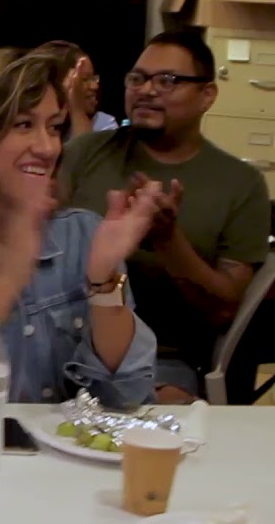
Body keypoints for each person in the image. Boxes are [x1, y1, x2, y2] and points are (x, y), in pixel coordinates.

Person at [0, 48, 158, 408]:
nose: (47, 148)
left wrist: (103, 280)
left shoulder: (82, 234)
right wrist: (11, 274)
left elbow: (126, 394)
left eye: (54, 128)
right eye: (24, 125)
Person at [61, 30, 270, 403]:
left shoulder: (241, 184)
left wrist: (168, 241)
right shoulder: (83, 153)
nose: (146, 90)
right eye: (137, 78)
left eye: (167, 81)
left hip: (161, 358)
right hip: (63, 339)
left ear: (207, 95)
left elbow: (224, 312)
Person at [35, 40, 119, 137]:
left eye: (93, 78)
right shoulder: (34, 122)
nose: (95, 86)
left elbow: (84, 147)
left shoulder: (104, 125)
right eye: (84, 79)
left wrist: (77, 110)